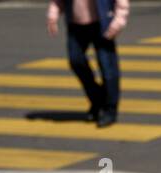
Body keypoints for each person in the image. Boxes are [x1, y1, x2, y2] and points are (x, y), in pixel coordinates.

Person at [47, 0, 129, 128]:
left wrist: (119, 20)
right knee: (76, 61)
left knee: (108, 69)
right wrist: (53, 14)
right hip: (76, 25)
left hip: (102, 23)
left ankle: (110, 110)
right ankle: (98, 99)